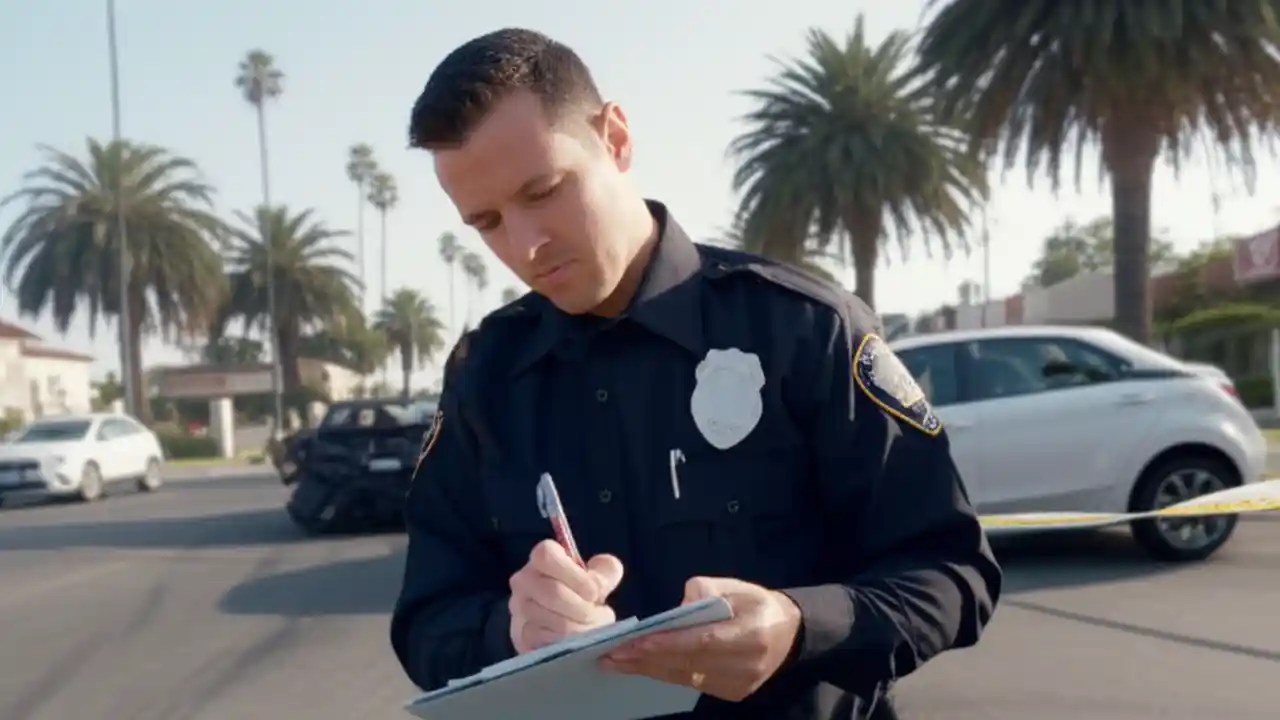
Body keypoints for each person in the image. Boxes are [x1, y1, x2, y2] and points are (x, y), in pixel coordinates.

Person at [389, 27, 1003, 720]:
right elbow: (427, 620)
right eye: (488, 222)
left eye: (545, 191)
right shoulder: (486, 381)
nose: (526, 246)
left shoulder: (804, 331)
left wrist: (800, 626)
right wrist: (514, 628)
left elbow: (952, 573)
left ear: (614, 138)